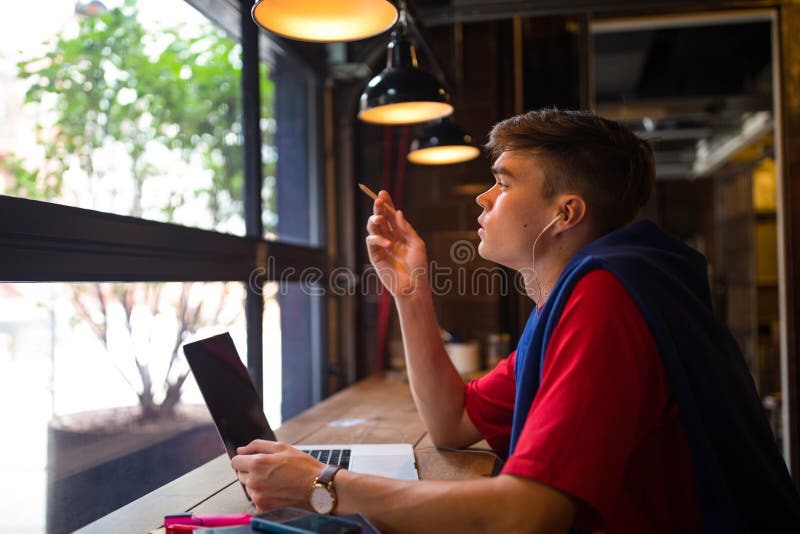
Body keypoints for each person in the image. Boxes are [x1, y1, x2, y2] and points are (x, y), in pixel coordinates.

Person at [231, 109, 800, 533]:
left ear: (565, 213)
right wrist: (409, 290)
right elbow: (454, 422)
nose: (482, 198)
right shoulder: (573, 299)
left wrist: (323, 485)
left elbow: (526, 514)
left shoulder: (607, 297)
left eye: (502, 183)